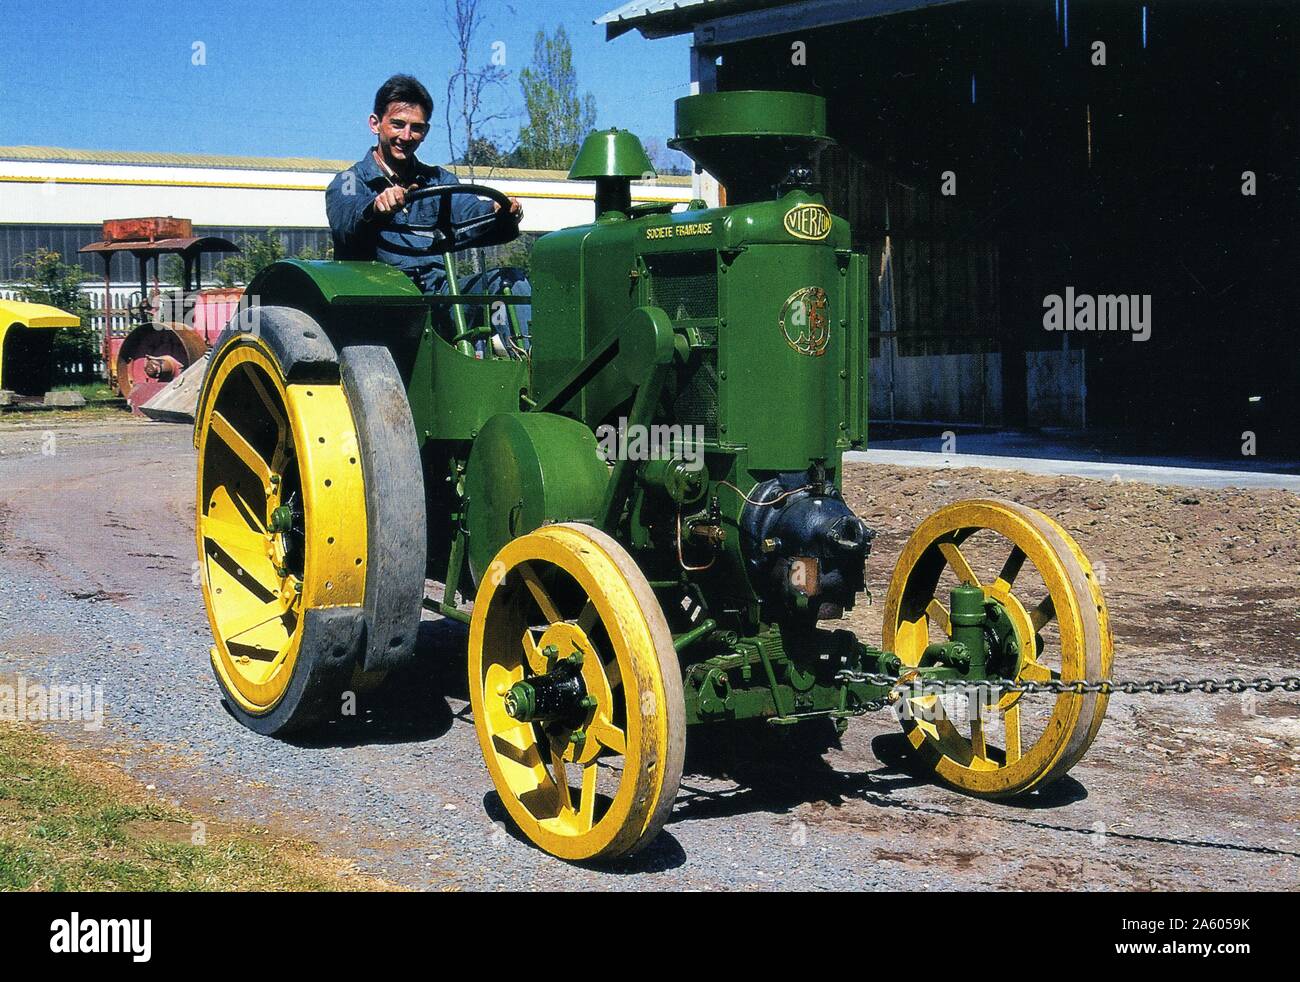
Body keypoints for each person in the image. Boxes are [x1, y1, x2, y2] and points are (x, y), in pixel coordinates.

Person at [325, 74, 522, 294]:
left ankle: (523, 330)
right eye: (397, 125)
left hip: (438, 296)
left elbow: (468, 210)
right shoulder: (348, 180)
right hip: (378, 298)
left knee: (510, 281)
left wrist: (496, 211)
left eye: (416, 128)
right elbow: (347, 216)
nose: (406, 136)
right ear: (375, 124)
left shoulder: (440, 181)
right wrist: (375, 207)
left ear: (425, 132)